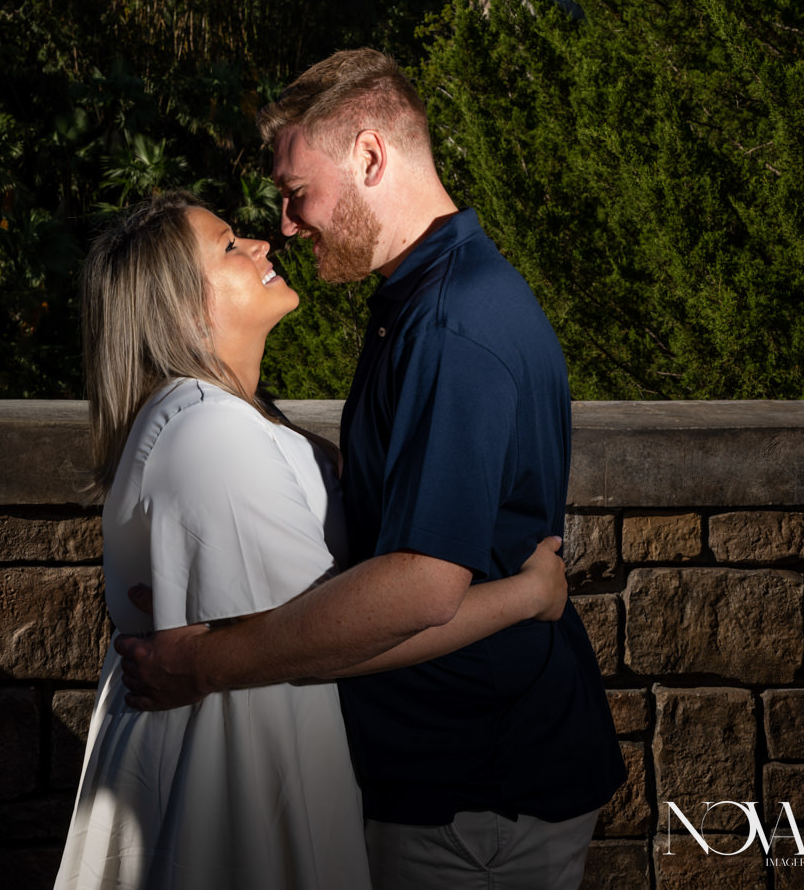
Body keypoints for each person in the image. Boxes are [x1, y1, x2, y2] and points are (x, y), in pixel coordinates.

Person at [116, 50, 626, 889]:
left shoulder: (453, 328)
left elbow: (422, 585)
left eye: (295, 194)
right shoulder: (418, 298)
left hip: (471, 799)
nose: (284, 224)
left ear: (370, 157)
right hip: (446, 780)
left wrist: (202, 664)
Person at [55, 187, 569, 890]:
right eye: (230, 246)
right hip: (235, 781)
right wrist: (528, 594)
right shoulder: (210, 435)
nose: (265, 242)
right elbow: (334, 637)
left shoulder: (227, 418)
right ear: (183, 307)